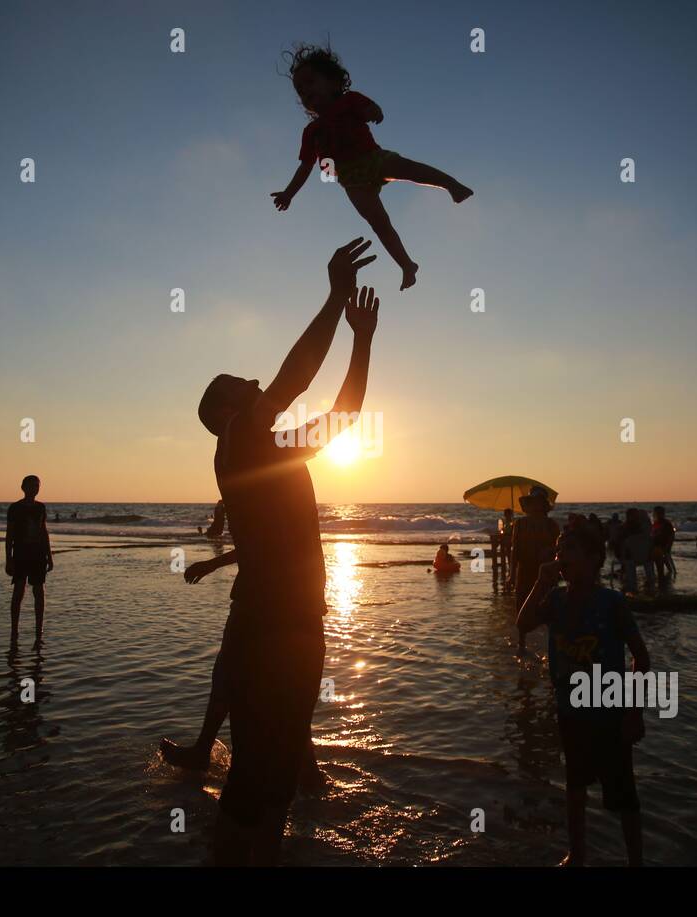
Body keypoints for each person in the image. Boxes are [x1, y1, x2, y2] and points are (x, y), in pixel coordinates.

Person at [192, 237, 377, 864]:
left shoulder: (270, 446)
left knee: (272, 779)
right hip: (270, 624)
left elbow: (345, 414)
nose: (251, 379)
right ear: (227, 411)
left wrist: (362, 337)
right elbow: (295, 377)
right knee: (254, 777)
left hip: (295, 622)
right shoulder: (240, 441)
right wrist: (332, 296)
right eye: (237, 383)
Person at [271, 44, 472, 291]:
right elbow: (305, 166)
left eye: (311, 82)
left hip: (373, 158)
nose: (305, 91)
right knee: (380, 224)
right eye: (300, 90)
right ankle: (407, 265)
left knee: (409, 169)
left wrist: (373, 111)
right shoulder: (312, 131)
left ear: (334, 82)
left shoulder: (349, 100)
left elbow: (371, 108)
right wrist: (289, 193)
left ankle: (452, 185)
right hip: (352, 181)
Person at [516, 524, 650, 866]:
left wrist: (634, 711)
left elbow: (641, 656)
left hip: (610, 711)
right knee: (575, 784)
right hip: (570, 711)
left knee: (623, 793)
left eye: (570, 549)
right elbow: (523, 622)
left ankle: (636, 861)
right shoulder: (556, 600)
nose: (562, 556)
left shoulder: (611, 603)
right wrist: (541, 581)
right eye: (559, 549)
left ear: (594, 559)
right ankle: (578, 853)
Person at [160, 548, 327, 794]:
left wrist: (212, 563)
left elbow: (260, 541)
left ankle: (203, 752)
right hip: (302, 602)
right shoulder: (297, 510)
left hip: (260, 600)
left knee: (227, 673)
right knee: (291, 691)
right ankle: (309, 771)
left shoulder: (267, 509)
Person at [6, 475, 52, 646]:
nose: (35, 489)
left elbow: (44, 531)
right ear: (23, 487)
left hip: (38, 554)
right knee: (19, 590)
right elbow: (9, 534)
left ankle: (39, 628)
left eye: (37, 486)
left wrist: (49, 555)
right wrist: (8, 558)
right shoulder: (15, 508)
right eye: (32, 486)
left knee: (39, 591)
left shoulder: (41, 507)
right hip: (20, 553)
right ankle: (14, 628)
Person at [510, 486, 560, 613]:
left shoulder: (552, 524)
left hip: (545, 570)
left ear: (544, 505)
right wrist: (511, 574)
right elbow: (515, 549)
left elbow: (558, 550)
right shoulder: (520, 524)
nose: (536, 505)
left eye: (539, 502)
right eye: (533, 502)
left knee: (546, 608)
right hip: (524, 570)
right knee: (522, 608)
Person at [620, 508, 656, 594]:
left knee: (629, 562)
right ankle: (651, 584)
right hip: (646, 557)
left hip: (631, 558)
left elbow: (620, 545)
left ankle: (632, 587)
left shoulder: (625, 529)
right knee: (648, 564)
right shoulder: (648, 530)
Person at [650, 506, 676, 589]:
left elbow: (671, 537)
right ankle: (651, 574)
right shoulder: (655, 523)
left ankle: (659, 575)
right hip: (655, 546)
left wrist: (667, 548)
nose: (656, 515)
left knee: (656, 554)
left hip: (662, 547)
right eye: (656, 513)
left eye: (659, 513)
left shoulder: (666, 524)